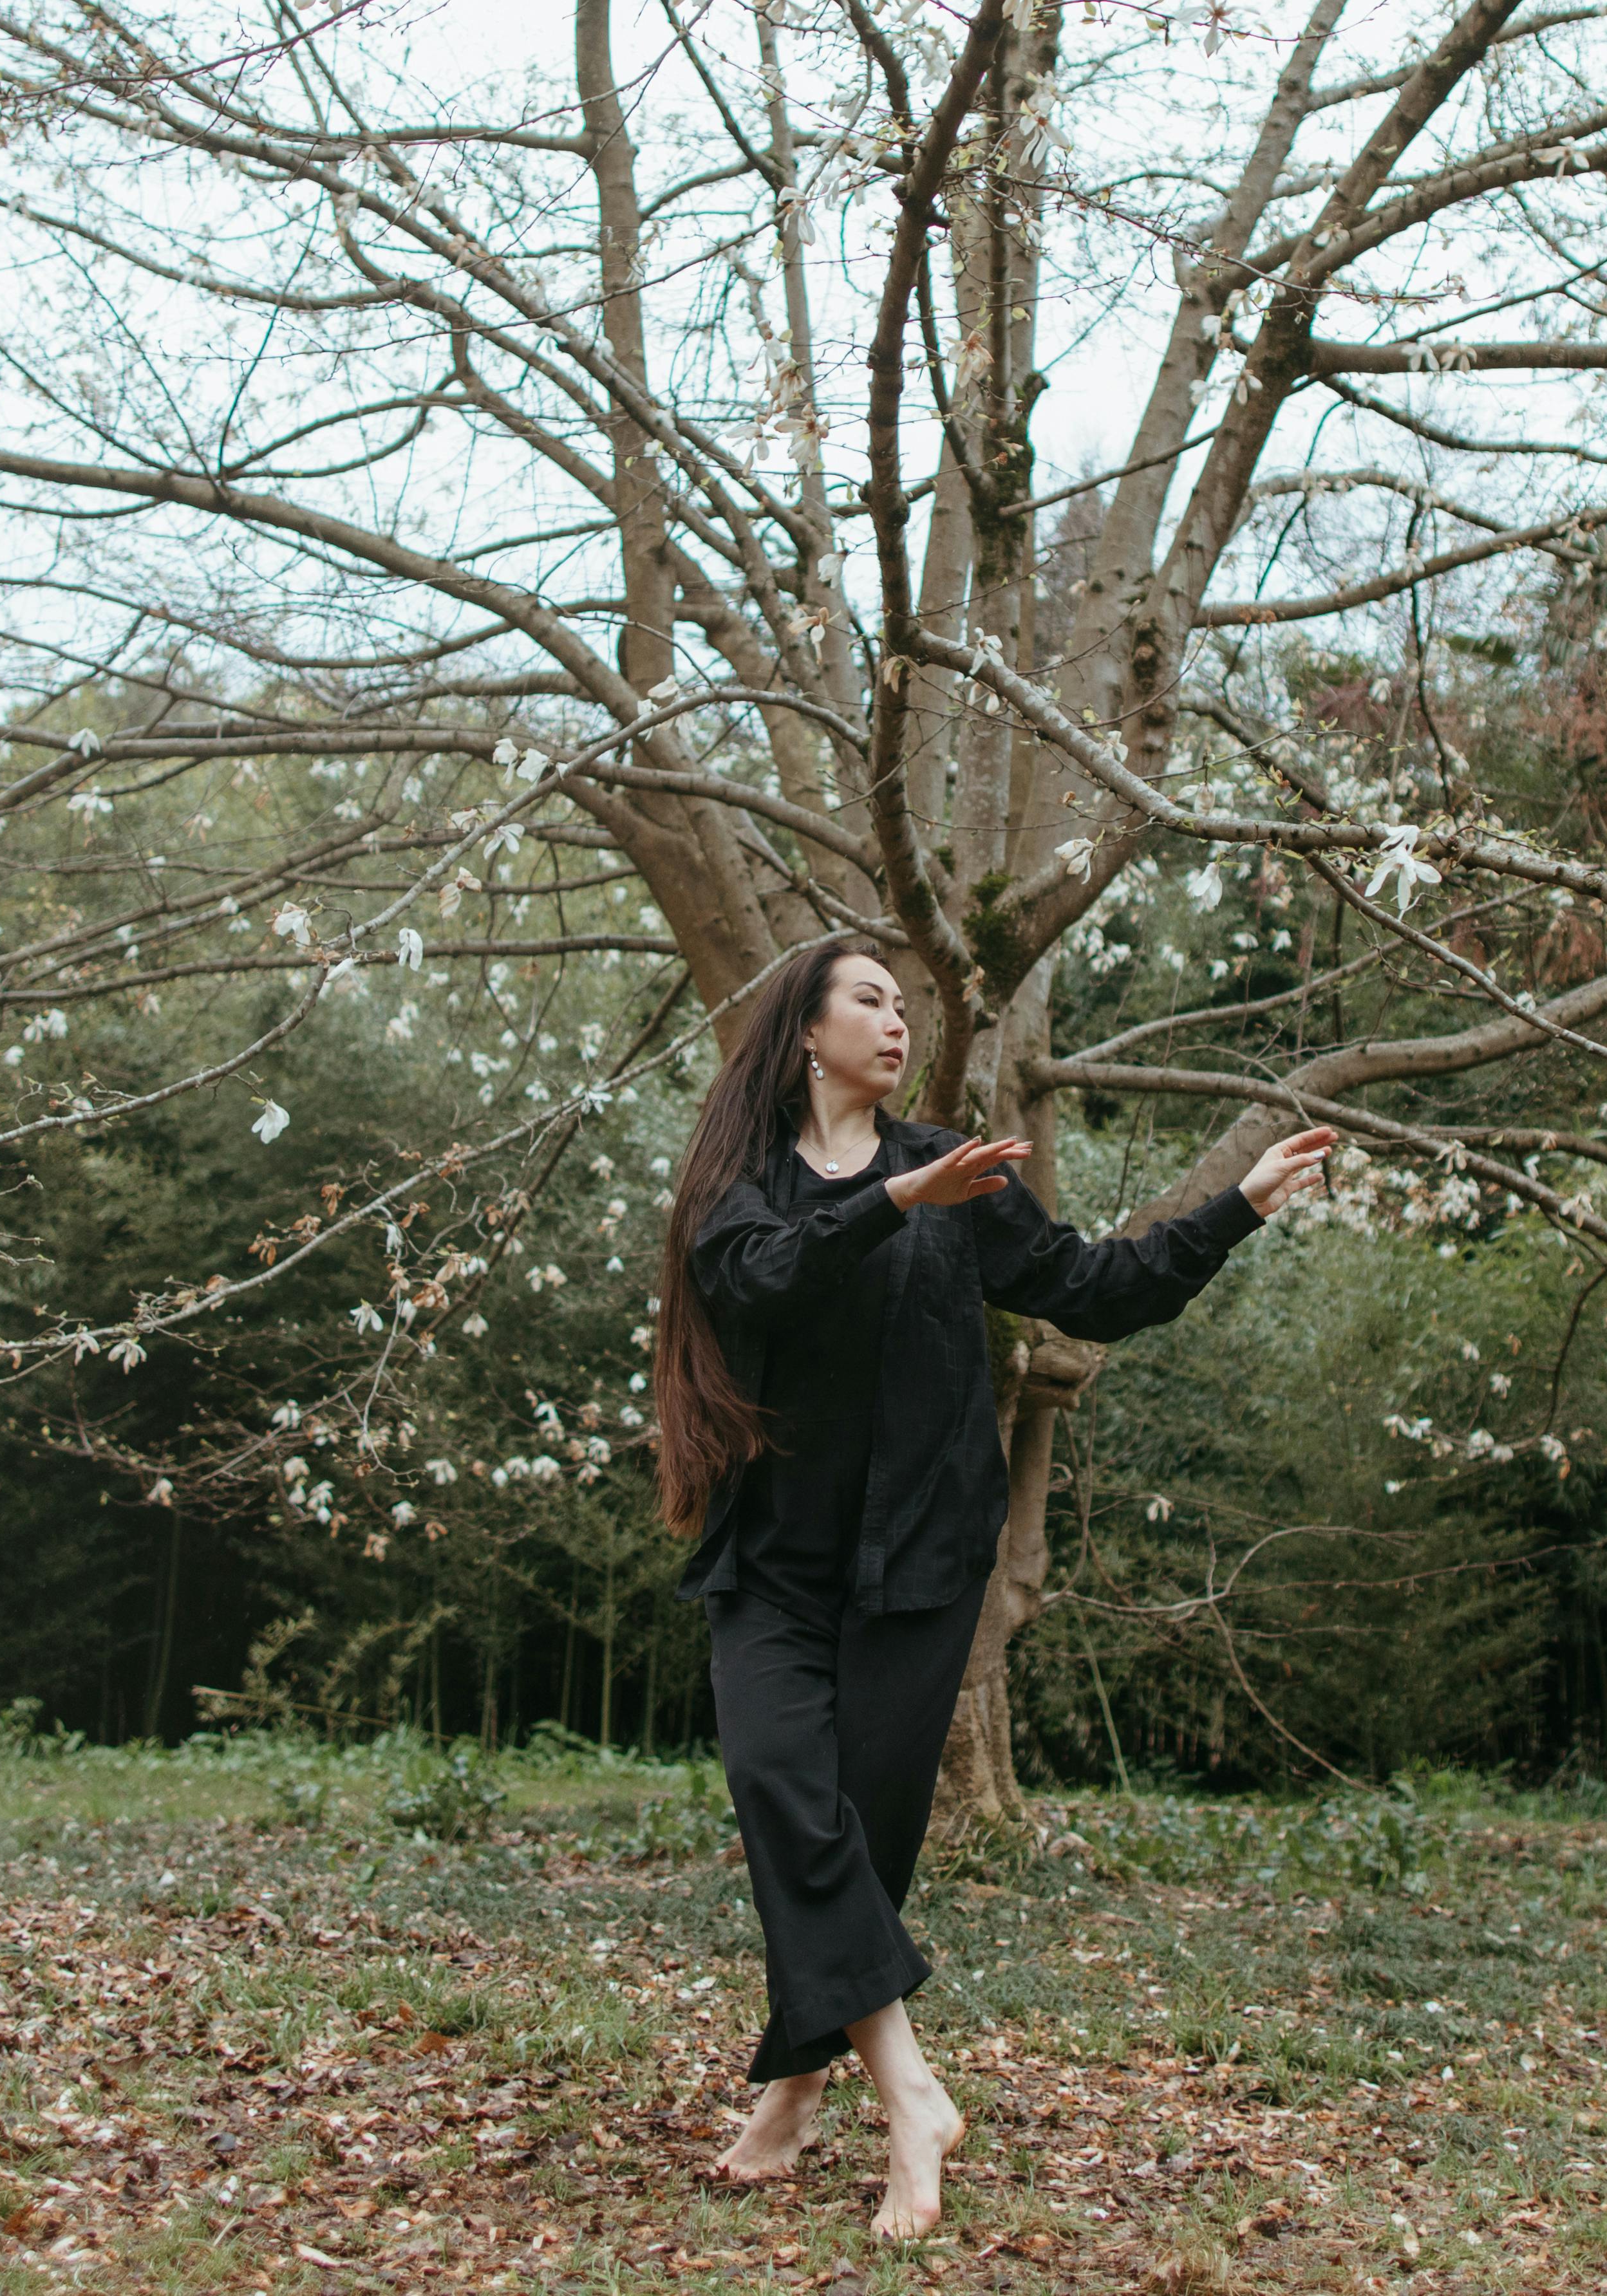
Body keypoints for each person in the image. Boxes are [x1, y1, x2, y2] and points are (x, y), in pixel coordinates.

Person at [650, 935, 1338, 2242]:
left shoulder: (956, 1169)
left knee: (866, 1835)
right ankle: (913, 2093)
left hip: (918, 1564)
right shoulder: (747, 1185)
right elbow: (761, 1282)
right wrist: (895, 1200)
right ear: (805, 1026)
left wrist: (1236, 1204)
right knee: (784, 1788)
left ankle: (790, 2105)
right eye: (871, 998)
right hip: (775, 1567)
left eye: (905, 1003)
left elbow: (1096, 1285)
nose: (898, 1019)